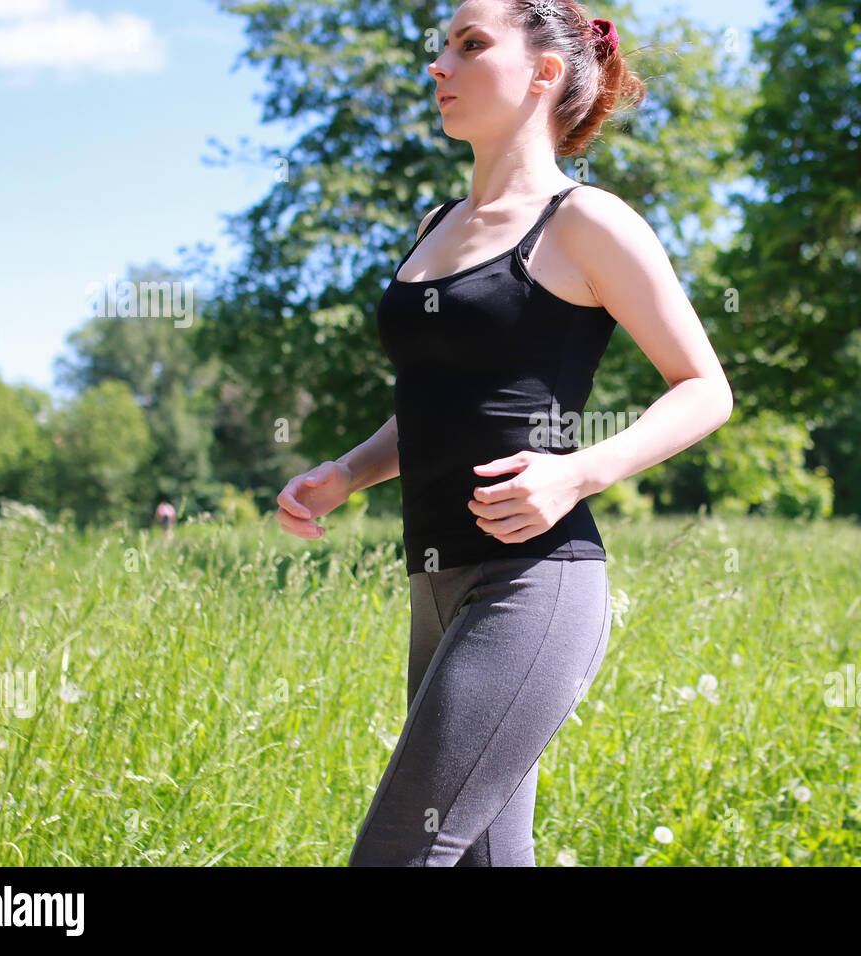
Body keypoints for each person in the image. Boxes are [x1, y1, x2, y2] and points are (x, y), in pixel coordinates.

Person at [275, 0, 733, 866]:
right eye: (442, 46)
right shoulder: (436, 226)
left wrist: (577, 473)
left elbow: (704, 388)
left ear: (545, 72)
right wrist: (346, 472)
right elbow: (435, 405)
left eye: (470, 45)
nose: (438, 66)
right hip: (435, 583)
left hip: (535, 583)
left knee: (396, 858)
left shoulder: (585, 222)